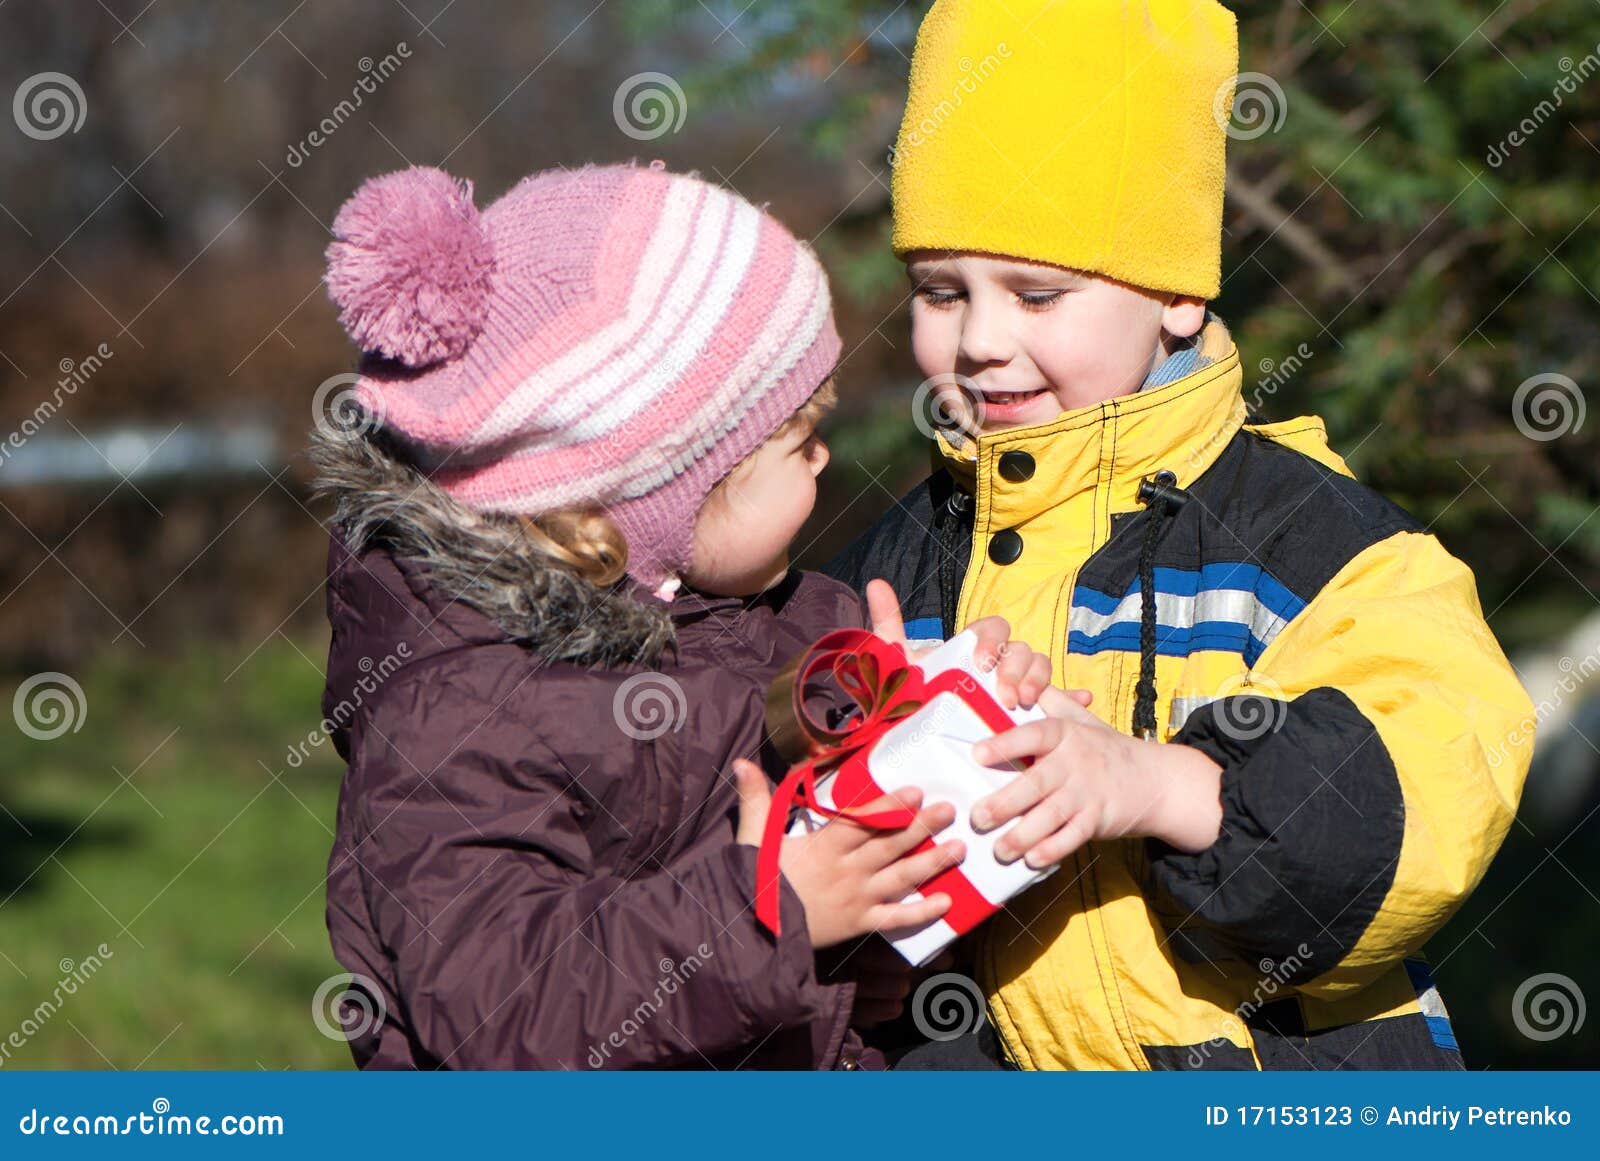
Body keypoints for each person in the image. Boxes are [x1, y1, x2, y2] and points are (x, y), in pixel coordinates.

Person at [826, 0, 1535, 1070]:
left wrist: (1162, 786)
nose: (979, 340)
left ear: (1176, 297)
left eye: (1036, 293)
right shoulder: (896, 563)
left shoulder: (1310, 539)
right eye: (939, 291)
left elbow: (1442, 778)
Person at [309, 160, 1047, 1069]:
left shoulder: (774, 617)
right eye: (798, 440)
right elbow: (505, 1008)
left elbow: (791, 871)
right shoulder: (459, 712)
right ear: (651, 495)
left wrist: (928, 724)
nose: (824, 460)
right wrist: (766, 915)